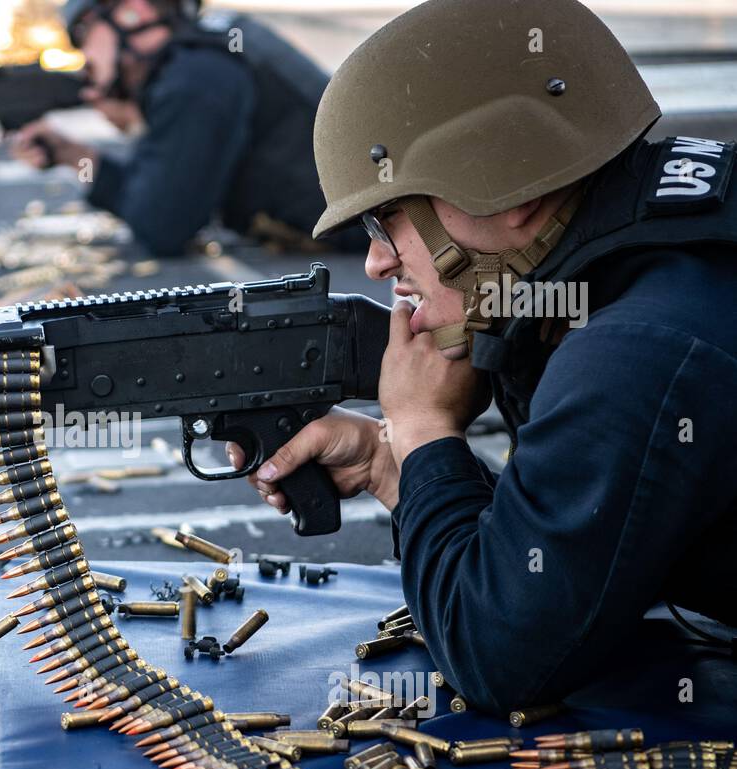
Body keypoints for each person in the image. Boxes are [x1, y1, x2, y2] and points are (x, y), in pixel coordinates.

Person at [230, 0, 737, 714]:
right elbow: (575, 550)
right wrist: (393, 465)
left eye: (387, 219)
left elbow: (498, 654)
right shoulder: (662, 239)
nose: (376, 263)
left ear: (506, 186)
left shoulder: (635, 349)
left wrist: (423, 429)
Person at [9, 0, 363, 256]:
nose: (85, 56)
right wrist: (74, 156)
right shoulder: (207, 50)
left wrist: (84, 160)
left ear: (135, 12)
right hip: (365, 230)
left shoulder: (194, 80)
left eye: (84, 33)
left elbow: (161, 225)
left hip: (365, 239)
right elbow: (162, 182)